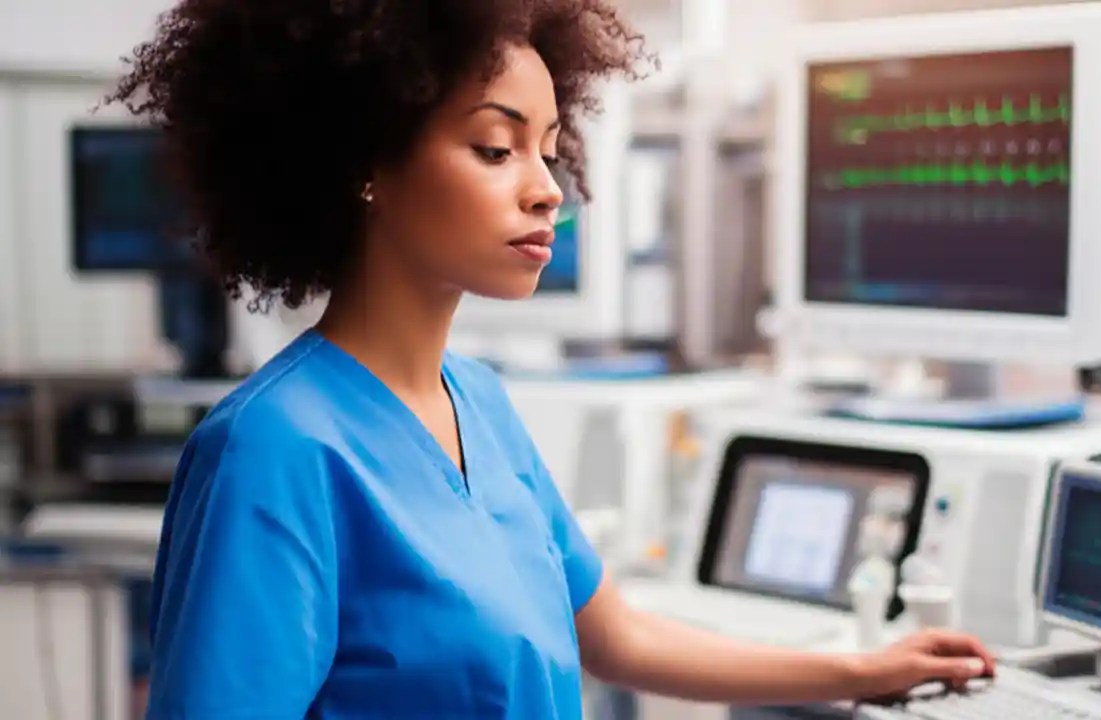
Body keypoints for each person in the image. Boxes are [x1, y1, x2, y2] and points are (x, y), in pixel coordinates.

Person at [110, 1, 995, 717]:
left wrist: (862, 672)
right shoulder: (273, 450)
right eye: (496, 148)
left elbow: (618, 639)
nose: (546, 187)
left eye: (546, 146)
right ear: (364, 163)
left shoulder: (479, 403)